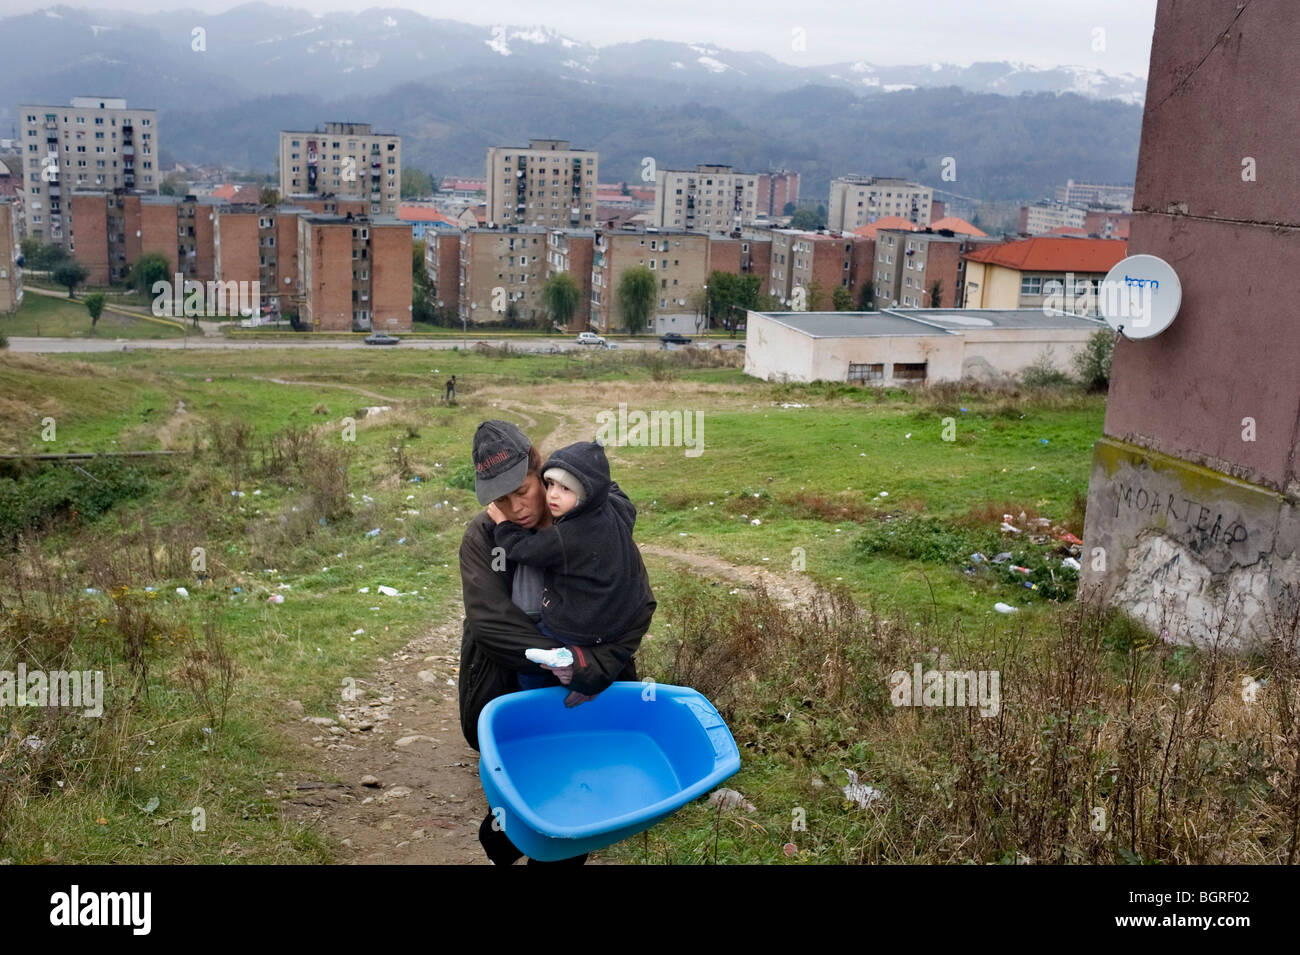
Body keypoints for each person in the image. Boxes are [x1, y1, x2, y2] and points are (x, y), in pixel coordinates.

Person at [458, 420, 655, 865]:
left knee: (573, 804)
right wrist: (563, 661)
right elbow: (491, 624)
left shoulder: (596, 523)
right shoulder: (484, 537)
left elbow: (637, 605)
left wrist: (594, 666)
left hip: (586, 693)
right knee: (515, 803)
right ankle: (502, 848)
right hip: (515, 687)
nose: (514, 509)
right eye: (500, 499)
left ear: (541, 470)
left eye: (522, 491)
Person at [487, 441, 653, 692]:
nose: (553, 494)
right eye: (550, 483)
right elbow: (616, 492)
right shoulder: (616, 509)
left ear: (587, 492)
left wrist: (502, 525)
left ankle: (560, 663)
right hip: (615, 618)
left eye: (565, 488)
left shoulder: (567, 536)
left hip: (579, 625)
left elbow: (522, 549)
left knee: (533, 666)